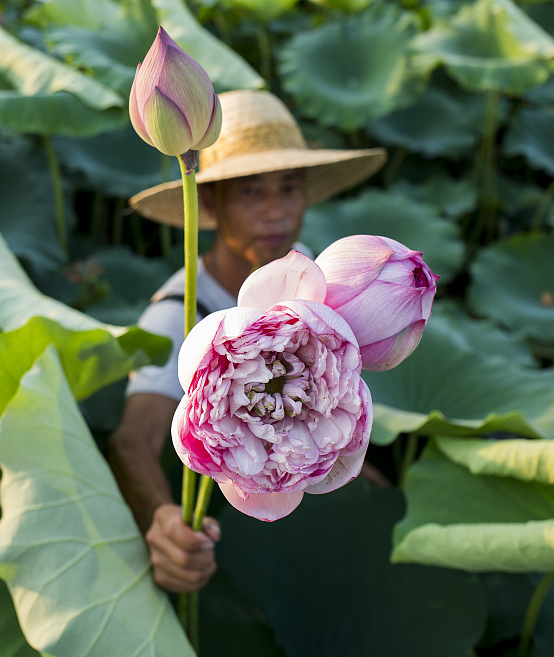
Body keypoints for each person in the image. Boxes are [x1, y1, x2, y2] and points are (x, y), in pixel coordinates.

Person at [107, 89, 386, 593]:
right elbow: (134, 439)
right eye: (252, 193)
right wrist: (162, 518)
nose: (276, 213)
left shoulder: (313, 272)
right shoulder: (178, 311)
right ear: (210, 201)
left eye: (289, 188)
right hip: (231, 554)